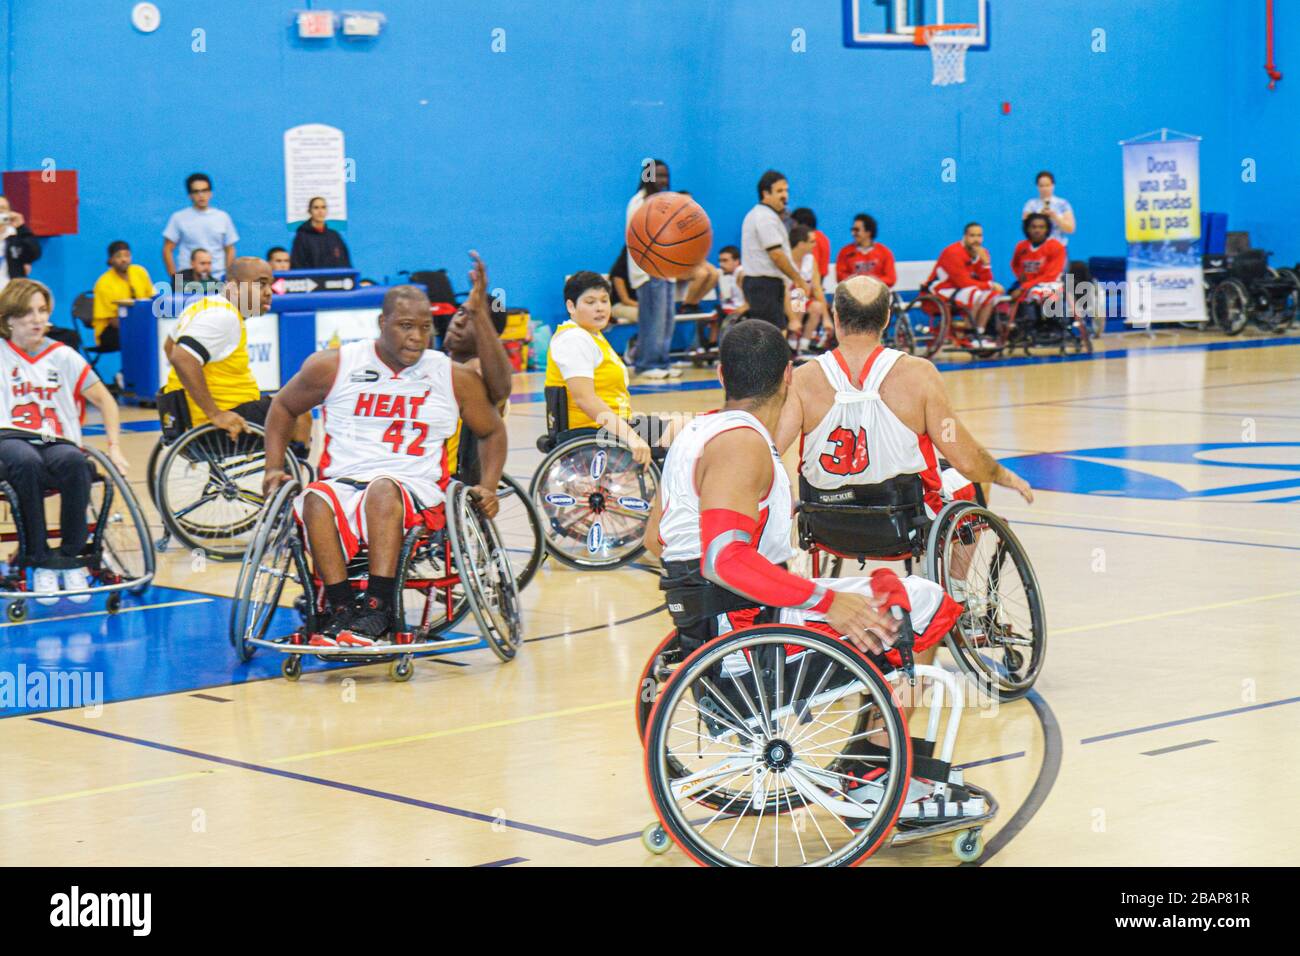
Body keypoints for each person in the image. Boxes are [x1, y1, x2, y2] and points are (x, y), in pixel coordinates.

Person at [643, 320, 964, 715]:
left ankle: (874, 759)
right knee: (924, 602)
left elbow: (656, 539)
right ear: (788, 374)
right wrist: (827, 602)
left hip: (720, 626)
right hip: (752, 645)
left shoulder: (693, 432)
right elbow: (723, 559)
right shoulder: (741, 444)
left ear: (721, 373)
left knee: (888, 589)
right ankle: (879, 765)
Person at [260, 284, 506, 647]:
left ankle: (379, 608)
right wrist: (272, 467)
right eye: (406, 326)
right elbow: (282, 407)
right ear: (381, 322)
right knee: (314, 497)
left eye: (425, 327)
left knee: (382, 489)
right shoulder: (334, 365)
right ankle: (340, 609)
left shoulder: (451, 375)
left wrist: (488, 484)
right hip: (343, 482)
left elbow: (492, 432)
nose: (417, 337)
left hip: (417, 487)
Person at [775, 275, 1033, 515]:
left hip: (825, 512)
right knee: (975, 482)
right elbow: (964, 457)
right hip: (900, 513)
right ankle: (949, 567)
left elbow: (771, 451)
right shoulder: (919, 374)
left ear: (836, 317)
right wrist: (1001, 474)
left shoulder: (802, 378)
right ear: (887, 319)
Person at [0, 279, 130, 604]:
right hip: (10, 440)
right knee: (24, 459)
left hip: (56, 441)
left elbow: (107, 401)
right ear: (8, 319)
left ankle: (72, 557)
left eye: (42, 311)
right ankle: (38, 558)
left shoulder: (64, 355)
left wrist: (115, 447)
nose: (37, 319)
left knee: (75, 461)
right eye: (27, 313)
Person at [158, 256, 311, 450]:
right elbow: (181, 357)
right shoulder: (223, 316)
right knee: (297, 412)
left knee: (280, 401)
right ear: (234, 287)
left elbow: (169, 348)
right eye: (260, 284)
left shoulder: (204, 306)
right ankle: (286, 477)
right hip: (214, 424)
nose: (268, 292)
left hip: (185, 418)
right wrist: (215, 413)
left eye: (270, 285)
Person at [544, 271, 669, 466]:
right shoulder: (574, 339)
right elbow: (585, 398)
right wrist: (631, 436)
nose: (600, 308)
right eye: (590, 302)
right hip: (591, 432)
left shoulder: (592, 336)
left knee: (687, 427)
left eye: (604, 300)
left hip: (609, 426)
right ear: (571, 306)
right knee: (689, 433)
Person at [439, 252, 514, 484]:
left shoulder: (480, 375)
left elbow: (500, 389)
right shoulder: (434, 364)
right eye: (461, 311)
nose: (459, 320)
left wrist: (478, 311)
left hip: (449, 481)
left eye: (471, 317)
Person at [626, 159, 677, 380]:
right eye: (659, 175)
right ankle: (646, 363)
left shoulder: (668, 201)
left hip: (667, 268)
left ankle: (662, 361)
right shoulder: (638, 202)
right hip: (648, 269)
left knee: (667, 319)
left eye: (666, 175)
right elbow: (639, 236)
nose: (663, 180)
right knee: (653, 319)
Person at [740, 170, 807, 330]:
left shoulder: (766, 216)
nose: (785, 195)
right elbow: (776, 255)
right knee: (772, 335)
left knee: (775, 333)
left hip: (768, 285)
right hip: (764, 285)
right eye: (779, 191)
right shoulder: (765, 218)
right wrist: (798, 279)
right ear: (765, 194)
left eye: (786, 190)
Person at [926, 222, 1004, 349]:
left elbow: (986, 280)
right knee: (975, 293)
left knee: (991, 295)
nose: (976, 240)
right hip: (942, 289)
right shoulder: (952, 252)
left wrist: (986, 265)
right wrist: (990, 285)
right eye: (972, 236)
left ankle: (979, 333)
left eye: (979, 236)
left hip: (962, 290)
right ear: (965, 237)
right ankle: (966, 335)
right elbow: (963, 282)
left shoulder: (983, 253)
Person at [162, 173, 238, 279]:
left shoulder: (223, 217)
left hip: (217, 276)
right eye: (196, 191)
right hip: (187, 277)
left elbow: (230, 249)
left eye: (205, 190)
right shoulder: (179, 218)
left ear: (210, 193)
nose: (201, 195)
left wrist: (227, 276)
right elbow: (167, 249)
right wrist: (175, 278)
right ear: (190, 195)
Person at [91, 241, 154, 349]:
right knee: (138, 336)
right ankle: (134, 366)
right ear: (110, 260)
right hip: (110, 329)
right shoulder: (104, 283)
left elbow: (153, 299)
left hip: (139, 322)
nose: (124, 259)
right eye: (118, 256)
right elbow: (112, 320)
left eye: (127, 255)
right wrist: (139, 326)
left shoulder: (140, 272)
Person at [785, 224, 829, 354]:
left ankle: (804, 345)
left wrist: (827, 318)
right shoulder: (785, 260)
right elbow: (783, 291)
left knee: (816, 306)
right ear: (800, 244)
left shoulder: (810, 259)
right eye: (812, 242)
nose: (815, 245)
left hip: (800, 300)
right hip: (783, 301)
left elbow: (817, 288)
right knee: (799, 295)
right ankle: (791, 343)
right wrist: (793, 318)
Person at [1011, 213, 1067, 306]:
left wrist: (1024, 287)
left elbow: (1050, 276)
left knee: (1036, 297)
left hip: (1050, 285)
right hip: (1027, 285)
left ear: (1047, 229)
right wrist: (1021, 277)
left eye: (1041, 227)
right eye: (1033, 227)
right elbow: (1014, 264)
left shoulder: (1056, 247)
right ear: (1027, 229)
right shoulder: (1021, 246)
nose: (1037, 230)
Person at [835, 213, 897, 287]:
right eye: (852, 230)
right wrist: (858, 281)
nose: (853, 233)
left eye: (856, 230)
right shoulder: (845, 252)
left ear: (868, 232)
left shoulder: (884, 252)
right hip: (853, 294)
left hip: (878, 294)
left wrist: (871, 281)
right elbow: (840, 277)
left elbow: (891, 279)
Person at [290, 197, 352, 270]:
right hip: (311, 280)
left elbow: (345, 262)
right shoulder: (302, 237)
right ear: (310, 211)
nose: (320, 211)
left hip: (334, 280)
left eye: (323, 207)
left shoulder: (334, 236)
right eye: (316, 208)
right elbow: (297, 264)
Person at [1021, 170, 1076, 246]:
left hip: (1058, 247)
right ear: (1037, 186)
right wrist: (1040, 216)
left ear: (1053, 185)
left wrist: (1055, 217)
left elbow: (1070, 229)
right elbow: (1026, 226)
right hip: (1037, 248)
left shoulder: (1063, 204)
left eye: (1047, 185)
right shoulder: (1030, 204)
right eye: (1041, 186)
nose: (1044, 189)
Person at [0, 196, 41, 293]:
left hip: (13, 294)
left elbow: (34, 253)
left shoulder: (16, 236)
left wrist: (21, 227)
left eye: (2, 210)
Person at [790, 207, 830, 281]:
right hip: (817, 279)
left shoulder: (810, 238)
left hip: (809, 281)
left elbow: (811, 264)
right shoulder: (822, 237)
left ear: (801, 223)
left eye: (793, 222)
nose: (791, 225)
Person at [608, 245, 639, 324]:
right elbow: (625, 300)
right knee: (646, 315)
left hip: (637, 305)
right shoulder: (618, 274)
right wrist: (644, 306)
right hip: (618, 306)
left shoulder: (645, 271)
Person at [717, 246, 747, 319]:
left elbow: (749, 304)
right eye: (720, 261)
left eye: (725, 260)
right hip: (728, 310)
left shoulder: (741, 274)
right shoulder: (726, 274)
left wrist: (732, 317)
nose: (721, 264)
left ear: (736, 261)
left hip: (739, 315)